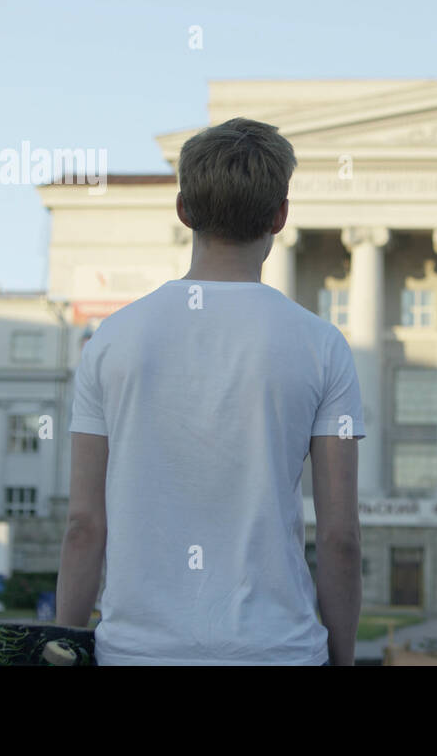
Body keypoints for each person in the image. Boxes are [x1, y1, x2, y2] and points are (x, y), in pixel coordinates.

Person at [56, 117, 364, 665]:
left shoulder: (112, 339)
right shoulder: (322, 344)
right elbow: (339, 536)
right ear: (281, 216)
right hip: (278, 651)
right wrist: (342, 658)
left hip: (137, 653)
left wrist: (58, 647)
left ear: (182, 209)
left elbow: (84, 526)